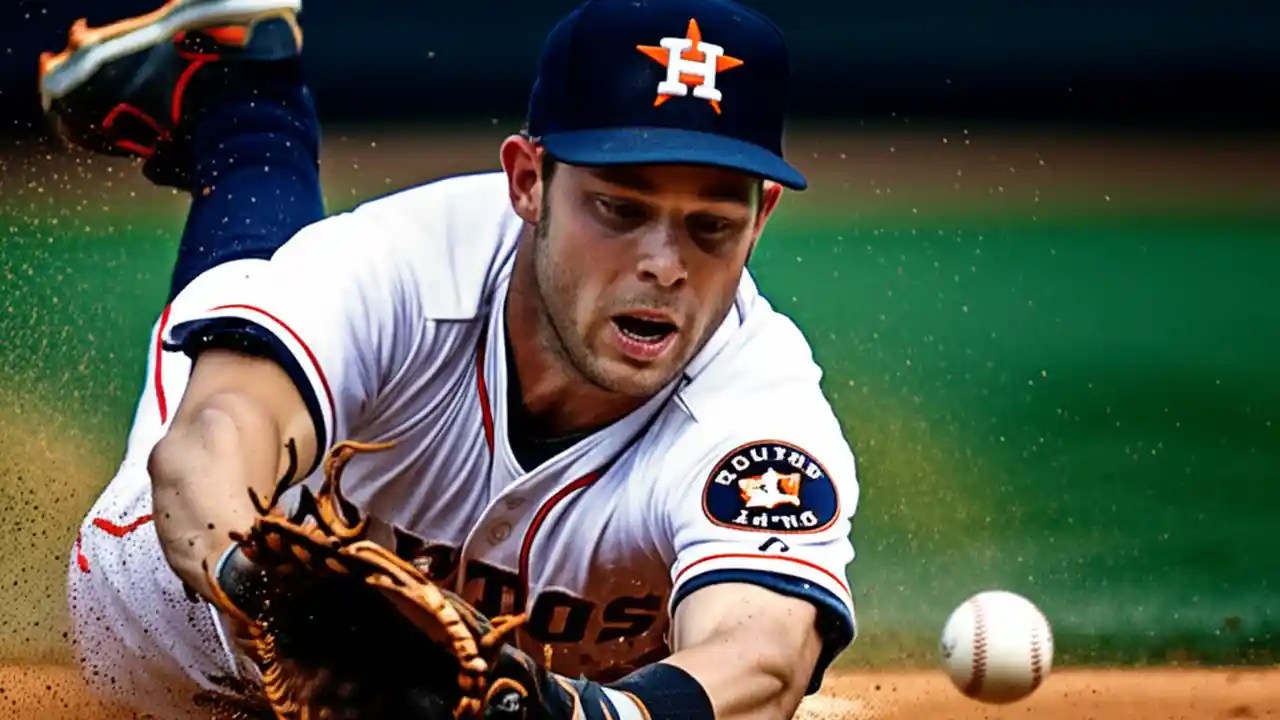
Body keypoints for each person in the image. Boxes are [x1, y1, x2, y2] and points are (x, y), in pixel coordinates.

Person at [41, 0, 862, 717]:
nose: (665, 264)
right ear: (529, 181)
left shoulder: (757, 404)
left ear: (760, 221)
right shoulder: (395, 268)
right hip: (187, 657)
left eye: (710, 226)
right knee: (247, 294)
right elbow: (213, 437)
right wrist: (274, 594)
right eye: (619, 209)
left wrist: (574, 715)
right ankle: (240, 101)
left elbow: (763, 652)